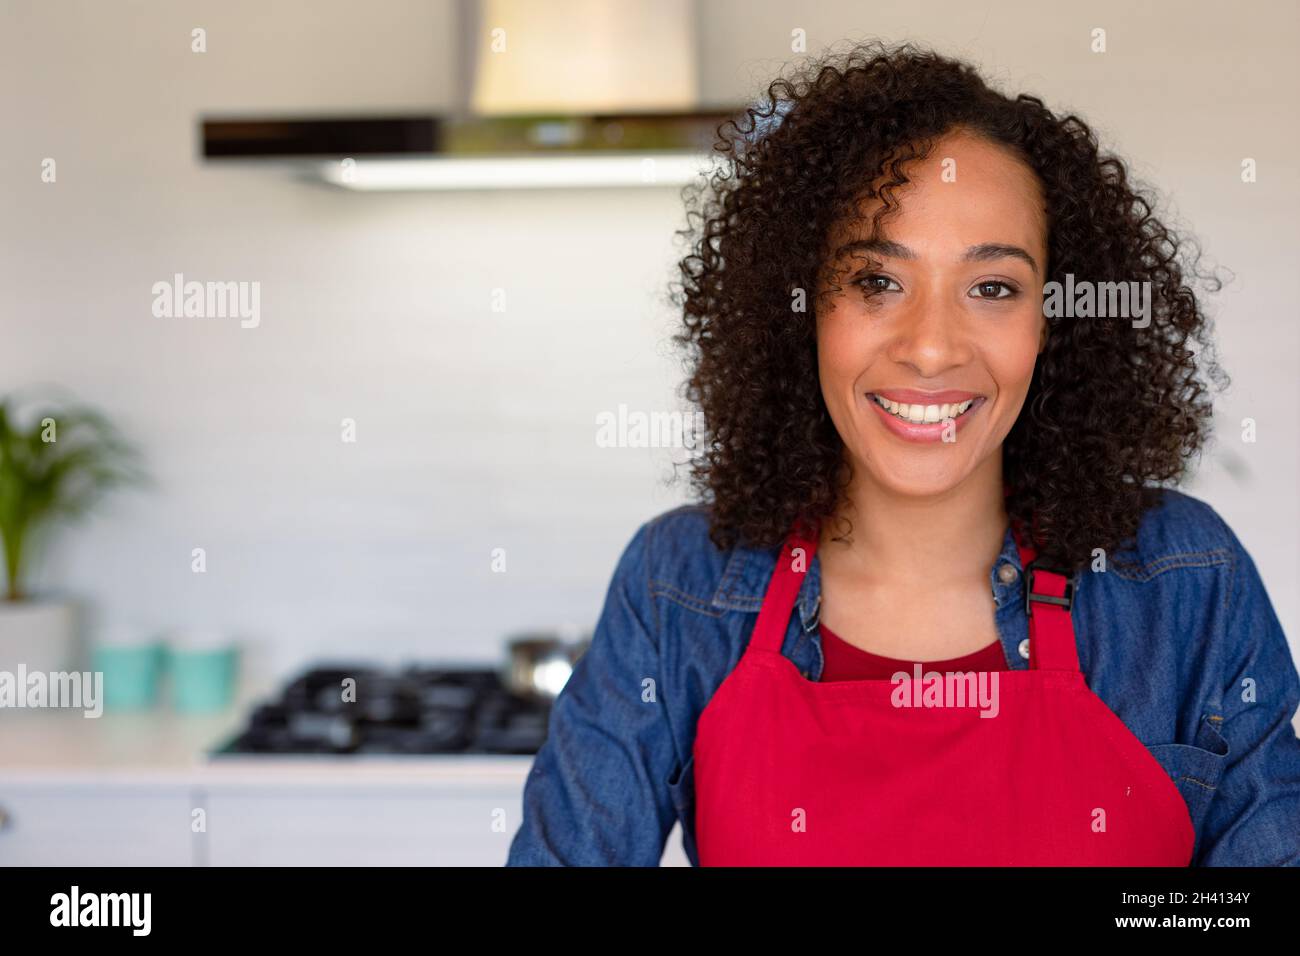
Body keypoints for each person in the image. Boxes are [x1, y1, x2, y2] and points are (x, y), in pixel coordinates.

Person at [506, 41, 1300, 866]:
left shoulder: (1182, 581)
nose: (930, 349)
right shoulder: (682, 587)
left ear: (1053, 325)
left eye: (993, 288)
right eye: (877, 282)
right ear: (803, 307)